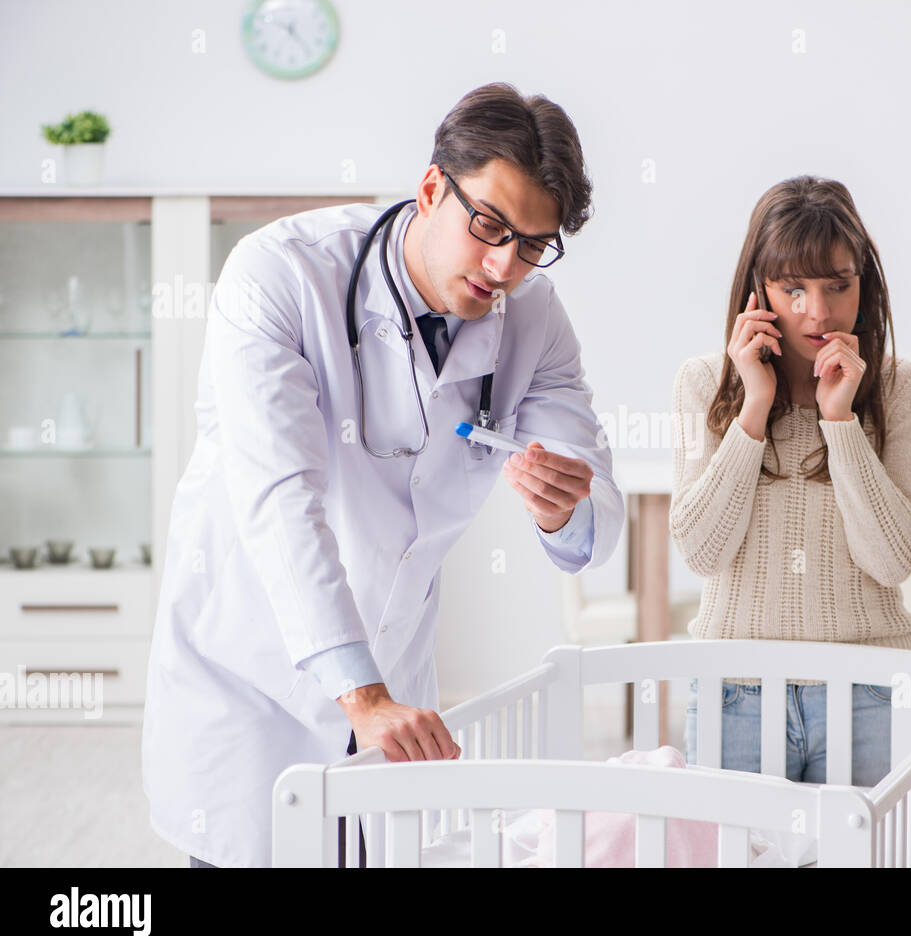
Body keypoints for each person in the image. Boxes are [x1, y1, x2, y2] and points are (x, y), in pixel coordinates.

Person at [142, 83, 624, 867]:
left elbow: (593, 508)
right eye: (490, 226)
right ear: (432, 186)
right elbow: (280, 501)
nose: (506, 265)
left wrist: (563, 509)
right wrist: (359, 696)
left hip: (392, 684)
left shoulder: (535, 317)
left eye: (534, 244)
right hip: (253, 679)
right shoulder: (279, 277)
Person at [670, 174, 911, 787]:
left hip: (870, 692)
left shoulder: (905, 389)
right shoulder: (701, 382)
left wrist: (838, 419)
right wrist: (754, 408)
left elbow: (892, 559)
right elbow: (700, 551)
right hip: (734, 692)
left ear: (863, 288)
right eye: (793, 288)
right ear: (758, 291)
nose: (817, 312)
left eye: (837, 286)